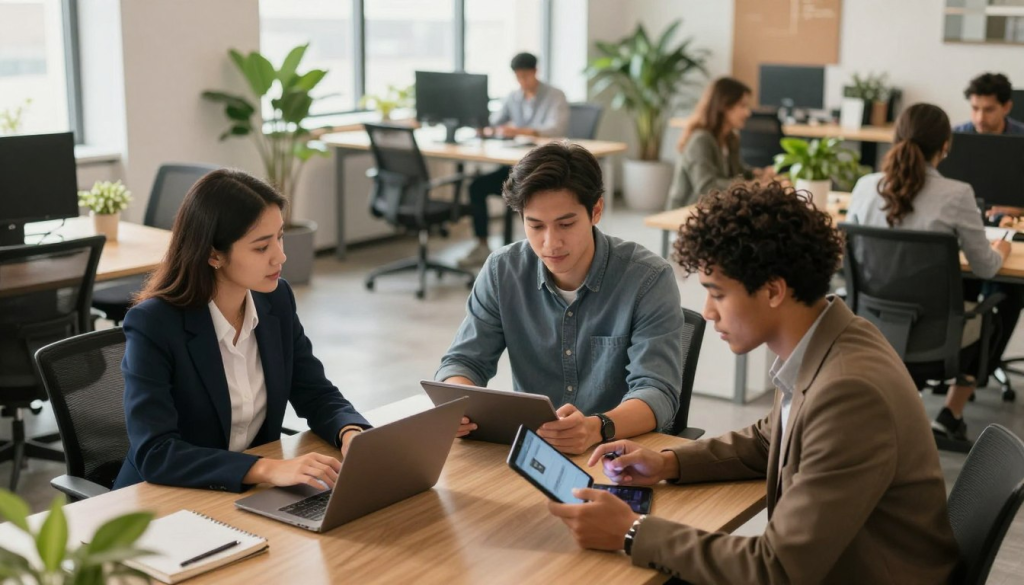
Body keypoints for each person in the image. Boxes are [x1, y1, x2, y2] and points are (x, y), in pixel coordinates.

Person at [547, 181, 959, 584]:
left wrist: (631, 531)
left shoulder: (849, 393)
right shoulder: (831, 337)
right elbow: (770, 440)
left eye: (718, 293)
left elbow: (776, 568)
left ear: (774, 290)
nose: (707, 312)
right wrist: (668, 462)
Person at [114, 169, 370, 492]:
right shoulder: (154, 324)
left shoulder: (275, 300)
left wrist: (350, 432)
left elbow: (315, 392)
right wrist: (264, 468)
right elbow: (156, 452)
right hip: (164, 499)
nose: (281, 255)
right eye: (261, 247)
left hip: (246, 495)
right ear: (213, 254)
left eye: (279, 237)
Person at [437, 141, 683, 454]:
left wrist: (596, 426)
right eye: (535, 225)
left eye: (566, 224)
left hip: (618, 454)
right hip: (536, 452)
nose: (550, 243)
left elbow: (657, 391)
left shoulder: (647, 279)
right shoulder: (503, 271)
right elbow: (463, 361)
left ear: (596, 210)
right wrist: (457, 402)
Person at [846, 103, 1012, 442]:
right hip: (935, 338)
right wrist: (1002, 250)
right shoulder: (957, 194)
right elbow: (984, 267)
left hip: (871, 328)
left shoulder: (865, 187)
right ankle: (950, 414)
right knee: (990, 309)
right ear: (946, 145)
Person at [458, 52, 570, 268]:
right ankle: (482, 245)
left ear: (535, 72)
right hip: (514, 167)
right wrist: (483, 125)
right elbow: (494, 123)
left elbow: (556, 129)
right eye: (518, 77)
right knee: (476, 187)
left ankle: (532, 252)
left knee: (532, 194)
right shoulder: (513, 97)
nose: (522, 81)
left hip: (543, 168)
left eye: (525, 76)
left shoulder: (555, 96)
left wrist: (519, 130)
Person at [666, 76, 774, 210]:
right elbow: (707, 187)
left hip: (716, 209)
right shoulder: (700, 140)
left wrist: (760, 174)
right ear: (724, 106)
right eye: (742, 106)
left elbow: (738, 172)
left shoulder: (730, 139)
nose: (748, 113)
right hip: (688, 211)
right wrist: (753, 185)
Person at [954, 72, 1024, 135]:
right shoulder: (954, 136)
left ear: (1006, 107)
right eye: (975, 108)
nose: (980, 118)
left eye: (989, 110)